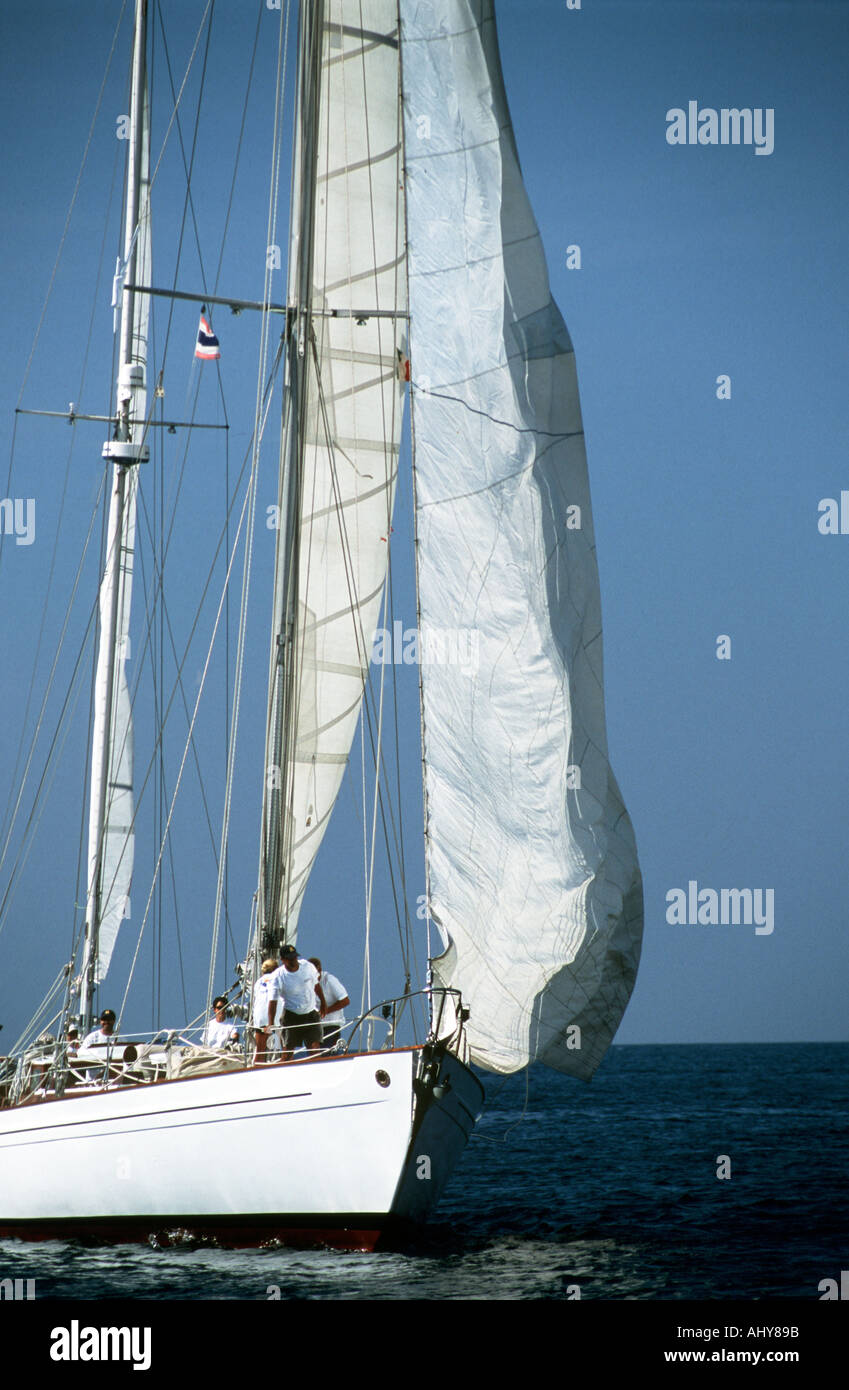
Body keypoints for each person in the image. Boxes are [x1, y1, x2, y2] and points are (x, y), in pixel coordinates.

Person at [270, 945, 326, 1061]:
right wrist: (271, 1024)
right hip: (291, 1016)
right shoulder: (278, 976)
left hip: (310, 1014)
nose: (293, 961)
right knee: (288, 1052)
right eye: (290, 959)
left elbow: (316, 985)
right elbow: (273, 1002)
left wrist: (323, 1003)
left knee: (315, 1048)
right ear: (283, 960)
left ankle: (317, 1073)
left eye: (294, 957)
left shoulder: (308, 966)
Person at [308, 958, 349, 1051]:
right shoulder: (306, 981)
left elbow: (345, 1001)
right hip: (315, 1024)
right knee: (313, 1052)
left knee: (327, 1053)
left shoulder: (329, 980)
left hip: (331, 1024)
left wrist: (325, 1011)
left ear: (319, 970)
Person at [251, 960, 280, 1064]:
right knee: (278, 1048)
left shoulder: (258, 982)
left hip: (260, 1019)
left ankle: (257, 1068)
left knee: (260, 1049)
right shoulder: (278, 979)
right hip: (274, 1018)